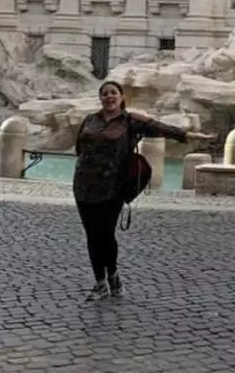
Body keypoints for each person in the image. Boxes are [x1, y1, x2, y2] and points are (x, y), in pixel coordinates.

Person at [73, 80, 213, 301]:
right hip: (83, 185)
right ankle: (99, 282)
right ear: (100, 98)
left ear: (121, 97)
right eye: (105, 94)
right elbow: (79, 147)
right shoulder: (90, 120)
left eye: (113, 93)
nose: (109, 97)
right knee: (91, 235)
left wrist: (187, 135)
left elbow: (158, 128)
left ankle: (113, 276)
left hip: (113, 187)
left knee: (106, 235)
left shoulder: (130, 120)